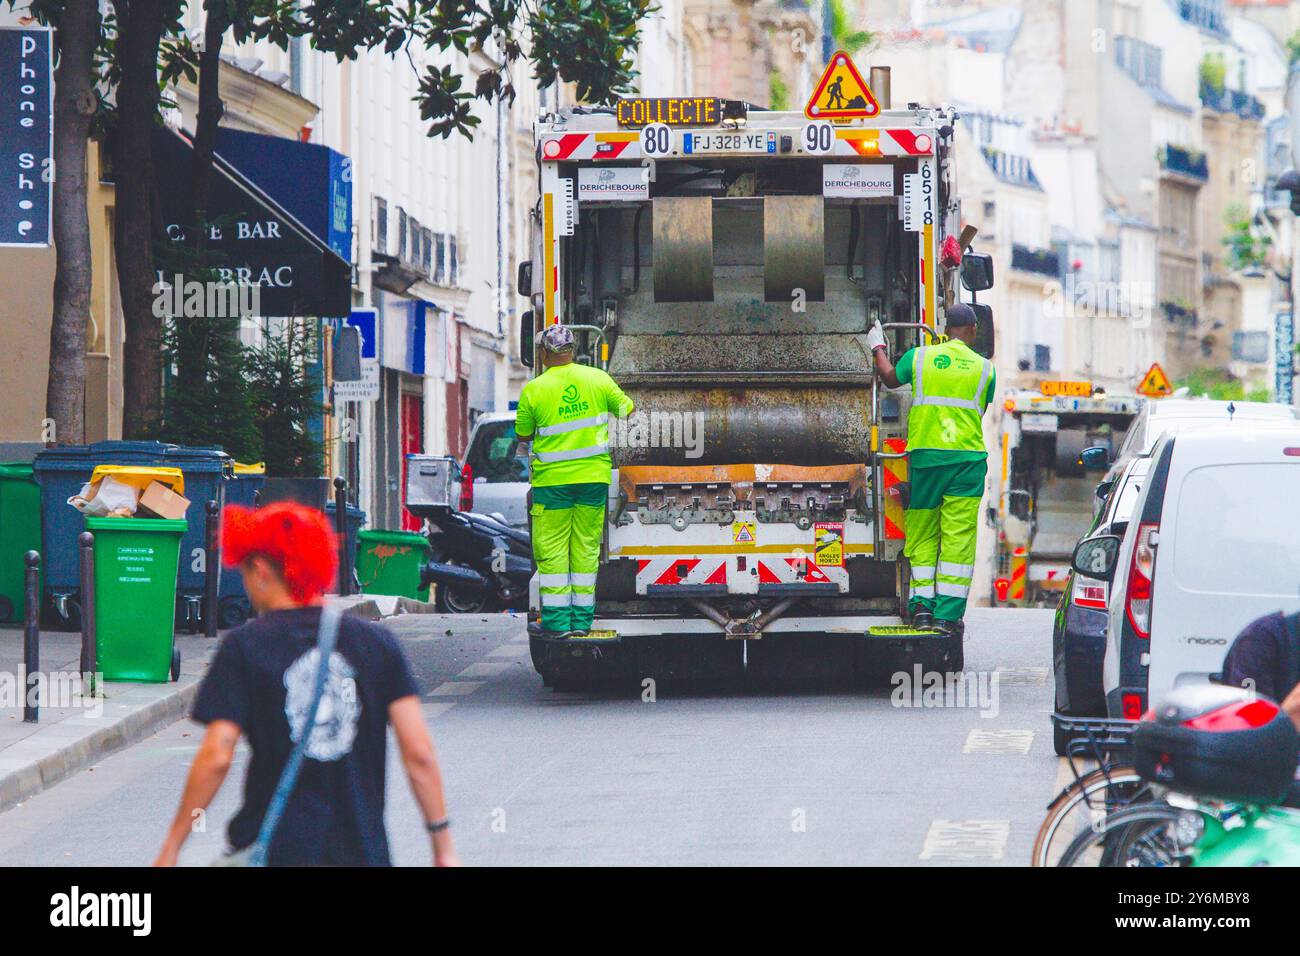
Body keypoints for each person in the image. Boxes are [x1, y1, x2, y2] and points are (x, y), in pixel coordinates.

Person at [154, 502, 459, 867]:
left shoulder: (246, 646)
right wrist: (443, 847)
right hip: (362, 853)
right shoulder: (375, 644)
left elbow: (217, 756)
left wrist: (172, 846)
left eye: (246, 572)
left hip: (276, 851)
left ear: (262, 571)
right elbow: (419, 752)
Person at [867, 303, 995, 637]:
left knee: (922, 531)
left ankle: (922, 608)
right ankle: (946, 617)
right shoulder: (985, 369)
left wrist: (877, 346)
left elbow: (890, 378)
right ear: (973, 331)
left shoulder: (919, 357)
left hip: (926, 459)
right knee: (958, 539)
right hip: (967, 463)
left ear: (944, 328)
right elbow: (978, 411)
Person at [515, 324, 634, 639]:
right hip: (593, 480)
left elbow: (523, 434)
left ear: (544, 353)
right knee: (585, 547)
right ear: (572, 350)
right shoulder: (597, 378)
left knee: (553, 549)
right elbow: (626, 409)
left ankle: (556, 623)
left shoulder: (534, 389)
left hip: (553, 484)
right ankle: (582, 621)